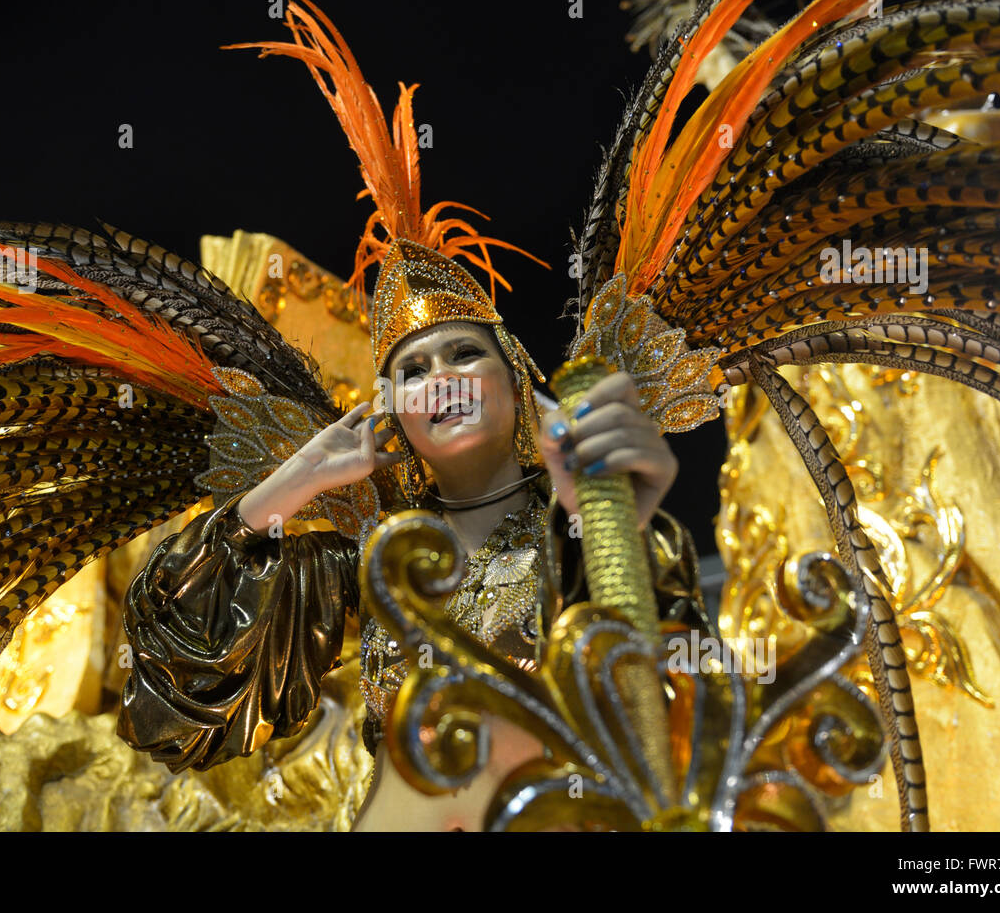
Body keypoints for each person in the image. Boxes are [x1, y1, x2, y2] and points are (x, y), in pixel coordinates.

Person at [116, 237, 706, 830]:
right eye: (414, 371)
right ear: (394, 412)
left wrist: (605, 526)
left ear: (517, 377)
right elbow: (171, 697)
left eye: (465, 354)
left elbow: (672, 719)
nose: (442, 379)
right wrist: (294, 481)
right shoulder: (377, 565)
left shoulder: (587, 530)